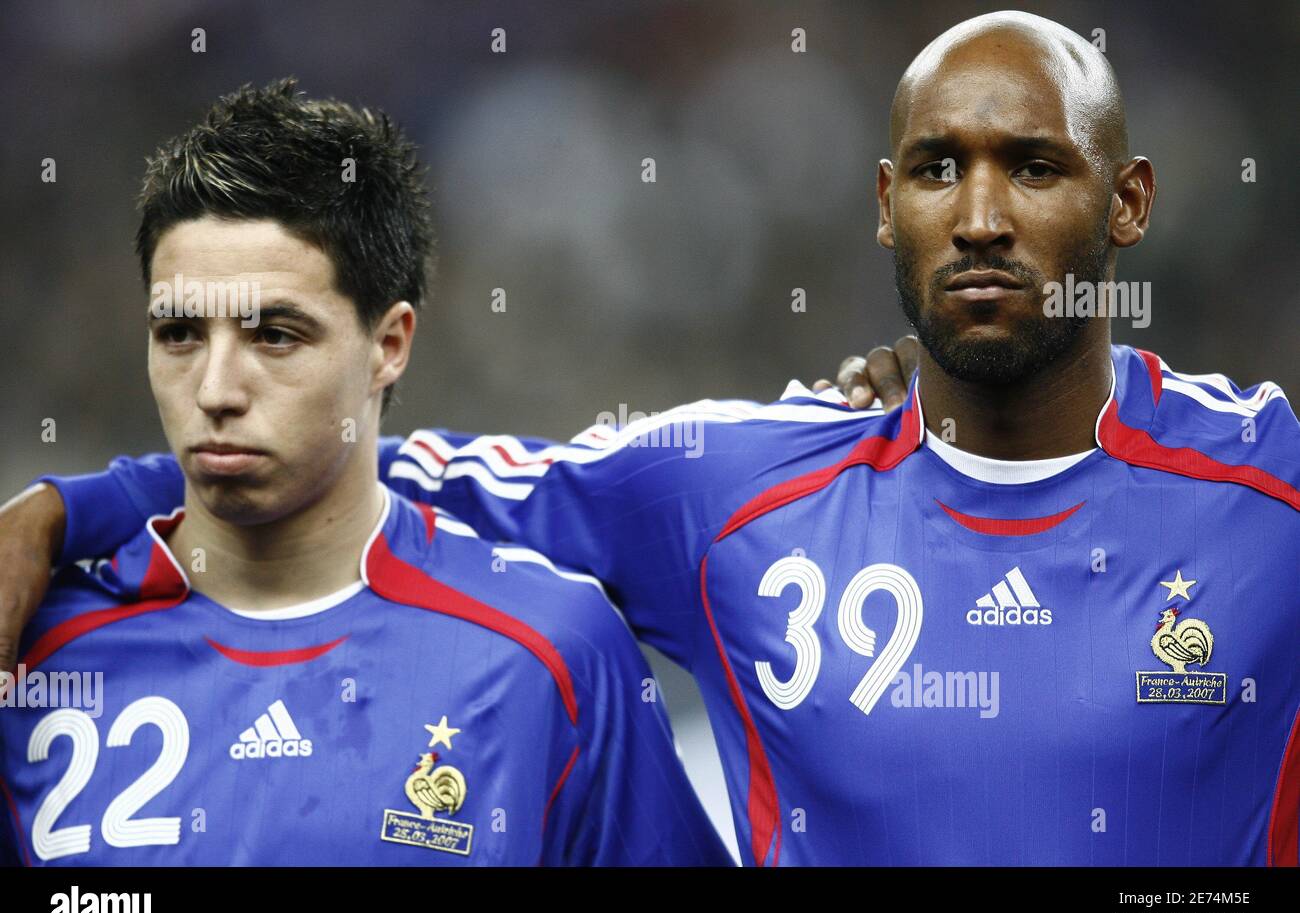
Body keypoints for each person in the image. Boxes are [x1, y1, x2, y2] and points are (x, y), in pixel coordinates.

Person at [7, 11, 1298, 866]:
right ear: (882, 205)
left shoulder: (1268, 489)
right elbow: (334, 457)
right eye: (936, 169)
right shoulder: (726, 486)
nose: (978, 216)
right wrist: (76, 506)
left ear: (1128, 202)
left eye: (1032, 165)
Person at [0, 79, 734, 866]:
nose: (214, 391)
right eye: (178, 333)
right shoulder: (31, 653)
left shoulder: (547, 653)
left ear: (388, 345)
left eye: (275, 335)